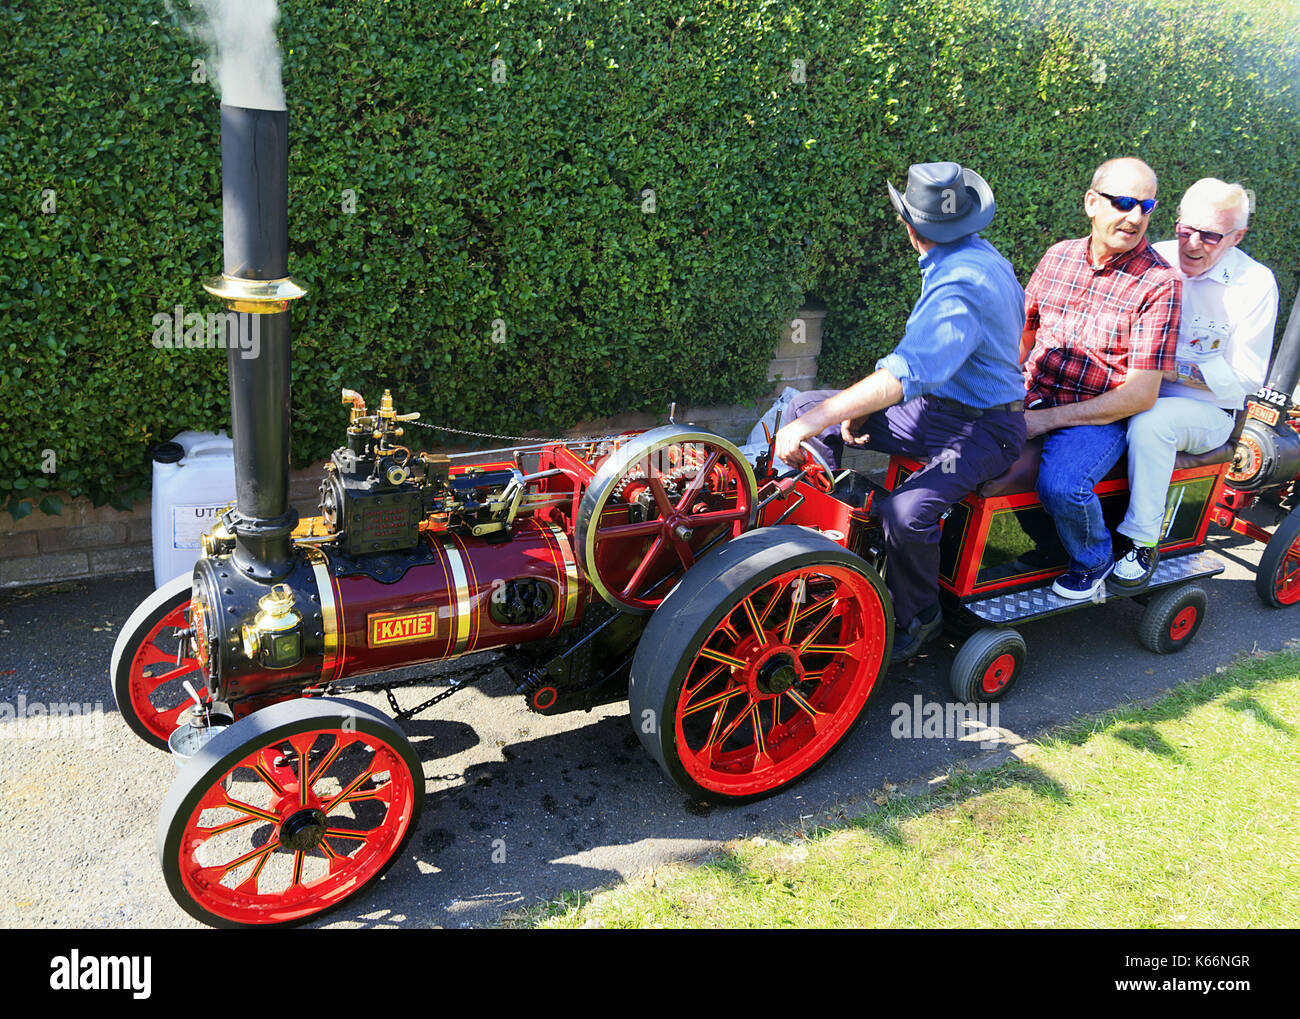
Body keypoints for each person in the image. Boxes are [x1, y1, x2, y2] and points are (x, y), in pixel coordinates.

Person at [774, 161, 1026, 663]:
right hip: (935, 408)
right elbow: (920, 360)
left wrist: (815, 419)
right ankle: (812, 549)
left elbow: (907, 372)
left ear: (910, 227)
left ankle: (919, 615)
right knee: (805, 403)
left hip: (984, 427)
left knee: (905, 512)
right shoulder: (968, 255)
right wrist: (836, 410)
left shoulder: (964, 281)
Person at [1021, 157, 1181, 599]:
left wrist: (1045, 422)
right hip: (1033, 393)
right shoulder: (1058, 256)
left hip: (1099, 415)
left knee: (1063, 485)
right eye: (1124, 202)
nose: (1135, 217)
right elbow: (1024, 333)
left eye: (1146, 207)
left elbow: (1141, 394)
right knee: (954, 444)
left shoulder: (1160, 284)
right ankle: (1039, 546)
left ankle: (1094, 559)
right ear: (1092, 202)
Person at [1109, 178, 1279, 588]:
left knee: (1153, 421)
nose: (1193, 244)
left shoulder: (1255, 284)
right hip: (1130, 386)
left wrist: (1165, 371)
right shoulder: (1152, 257)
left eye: (1210, 235)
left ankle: (1141, 543)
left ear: (1237, 237)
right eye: (1187, 230)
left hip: (1208, 411)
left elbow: (1245, 378)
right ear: (1178, 220)